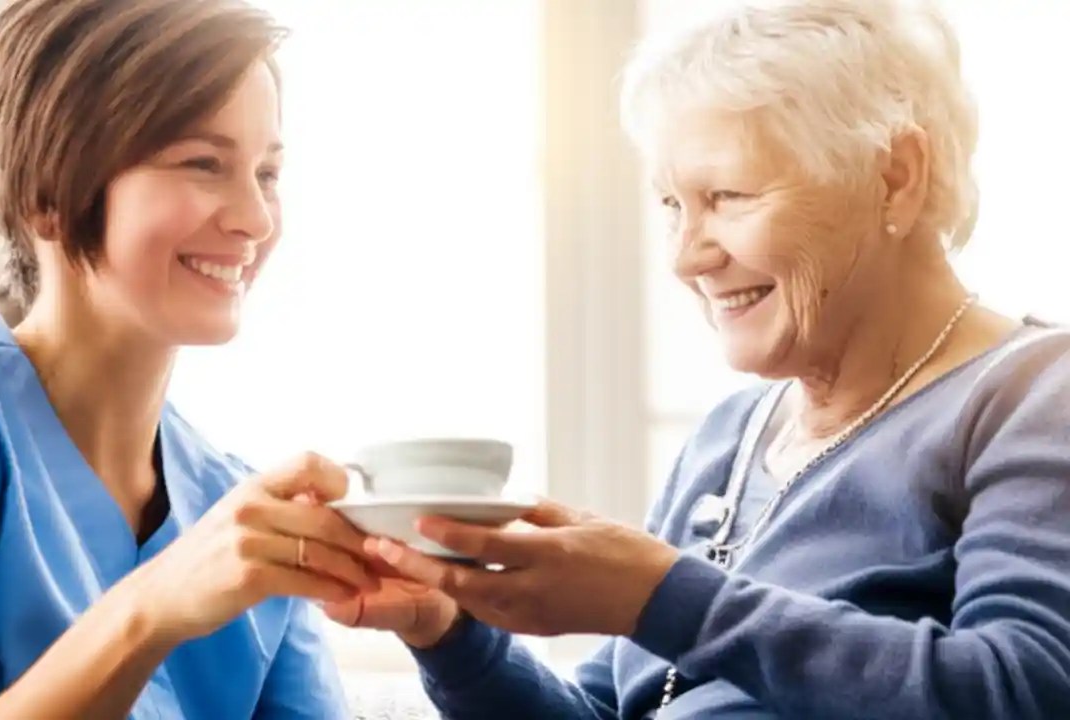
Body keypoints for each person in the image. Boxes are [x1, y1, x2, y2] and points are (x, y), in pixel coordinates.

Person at [324, 1, 1070, 717]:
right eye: (672, 205)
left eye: (728, 195)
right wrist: (451, 635)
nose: (686, 257)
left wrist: (659, 594)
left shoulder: (1035, 397)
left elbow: (1024, 690)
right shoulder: (733, 435)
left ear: (894, 176)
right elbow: (620, 708)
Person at [0, 1, 375, 717]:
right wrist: (152, 608)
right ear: (48, 197)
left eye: (268, 173)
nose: (255, 219)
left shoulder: (239, 516)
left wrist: (447, 632)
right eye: (204, 163)